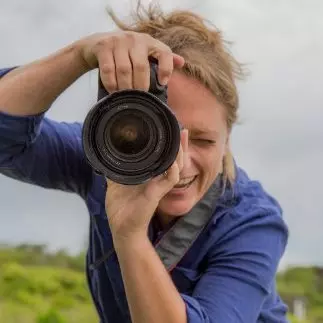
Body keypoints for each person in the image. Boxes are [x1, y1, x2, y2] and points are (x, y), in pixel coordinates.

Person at [0, 2, 289, 323]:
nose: (179, 163)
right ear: (116, 124)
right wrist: (79, 56)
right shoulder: (106, 160)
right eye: (158, 137)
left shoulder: (251, 222)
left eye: (204, 141)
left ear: (227, 140)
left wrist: (130, 234)